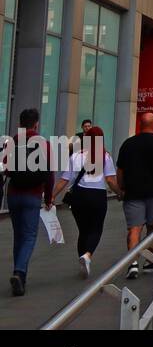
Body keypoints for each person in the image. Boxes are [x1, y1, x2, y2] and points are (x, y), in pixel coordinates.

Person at [53, 126, 120, 279]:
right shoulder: (105, 156)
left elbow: (64, 180)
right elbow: (110, 180)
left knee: (83, 230)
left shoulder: (75, 156)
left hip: (79, 196)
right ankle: (88, 255)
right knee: (96, 228)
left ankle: (82, 259)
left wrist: (51, 196)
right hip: (97, 196)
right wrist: (120, 193)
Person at [117, 113, 153, 279]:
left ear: (140, 124)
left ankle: (133, 264)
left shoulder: (128, 144)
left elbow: (120, 171)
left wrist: (121, 189)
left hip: (133, 193)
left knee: (134, 229)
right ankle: (150, 262)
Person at [5, 109, 54, 296]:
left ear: (20, 124)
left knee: (19, 235)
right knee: (29, 236)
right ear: (36, 124)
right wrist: (49, 198)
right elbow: (49, 175)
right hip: (33, 195)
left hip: (14, 194)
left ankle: (20, 276)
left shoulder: (13, 142)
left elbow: (6, 169)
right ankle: (19, 272)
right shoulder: (44, 144)